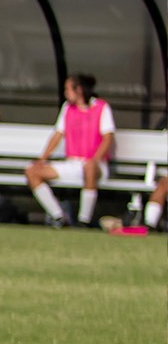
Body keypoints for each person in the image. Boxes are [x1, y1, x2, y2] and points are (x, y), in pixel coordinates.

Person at [25, 73, 114, 228]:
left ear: (78, 90)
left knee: (89, 167)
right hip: (72, 162)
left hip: (95, 164)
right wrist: (42, 159)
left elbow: (108, 138)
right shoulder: (67, 108)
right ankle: (58, 217)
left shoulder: (101, 107)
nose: (65, 93)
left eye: (67, 89)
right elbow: (57, 135)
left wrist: (95, 160)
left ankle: (83, 220)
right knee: (32, 171)